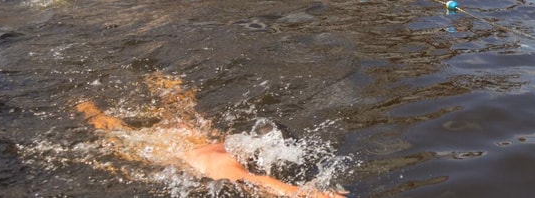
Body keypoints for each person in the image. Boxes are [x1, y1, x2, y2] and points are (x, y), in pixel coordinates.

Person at [77, 74, 345, 197]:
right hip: (168, 151)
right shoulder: (229, 165)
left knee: (187, 120)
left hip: (196, 145)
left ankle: (162, 81)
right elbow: (260, 182)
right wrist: (308, 195)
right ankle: (85, 107)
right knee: (119, 133)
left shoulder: (230, 147)